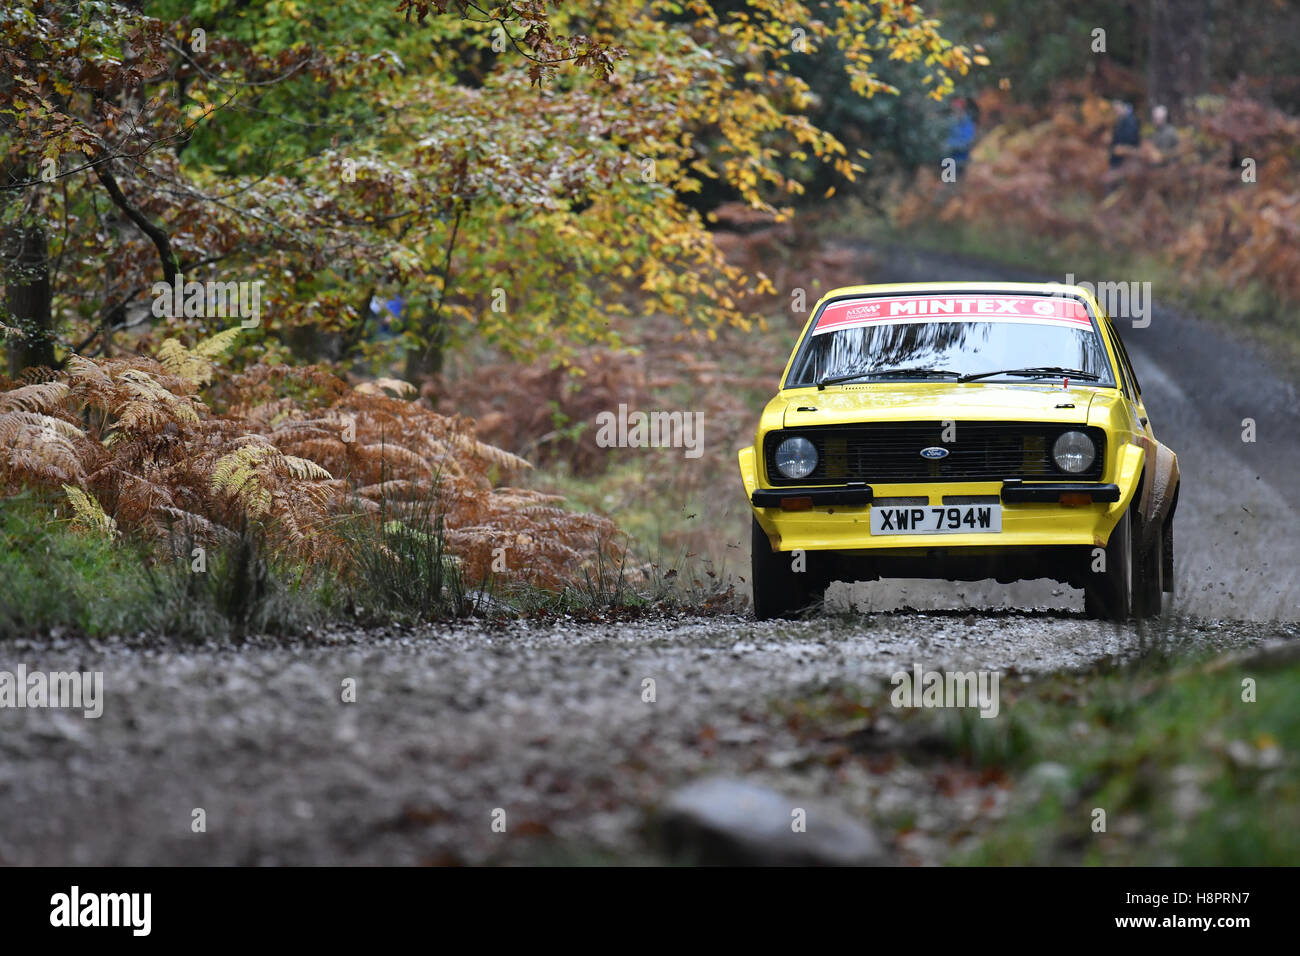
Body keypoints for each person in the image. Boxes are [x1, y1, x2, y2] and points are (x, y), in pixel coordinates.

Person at [945, 97, 977, 176]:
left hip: (962, 159)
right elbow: (947, 137)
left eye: (957, 110)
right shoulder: (951, 123)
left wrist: (951, 146)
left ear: (962, 110)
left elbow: (968, 142)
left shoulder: (968, 124)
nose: (955, 113)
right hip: (949, 159)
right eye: (953, 110)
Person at [1109, 100, 1141, 169]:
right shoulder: (1120, 120)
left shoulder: (1130, 120)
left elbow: (1131, 137)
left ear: (1122, 107)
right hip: (1119, 149)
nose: (1116, 112)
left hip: (1127, 151)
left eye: (1117, 110)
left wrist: (1121, 145)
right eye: (1115, 110)